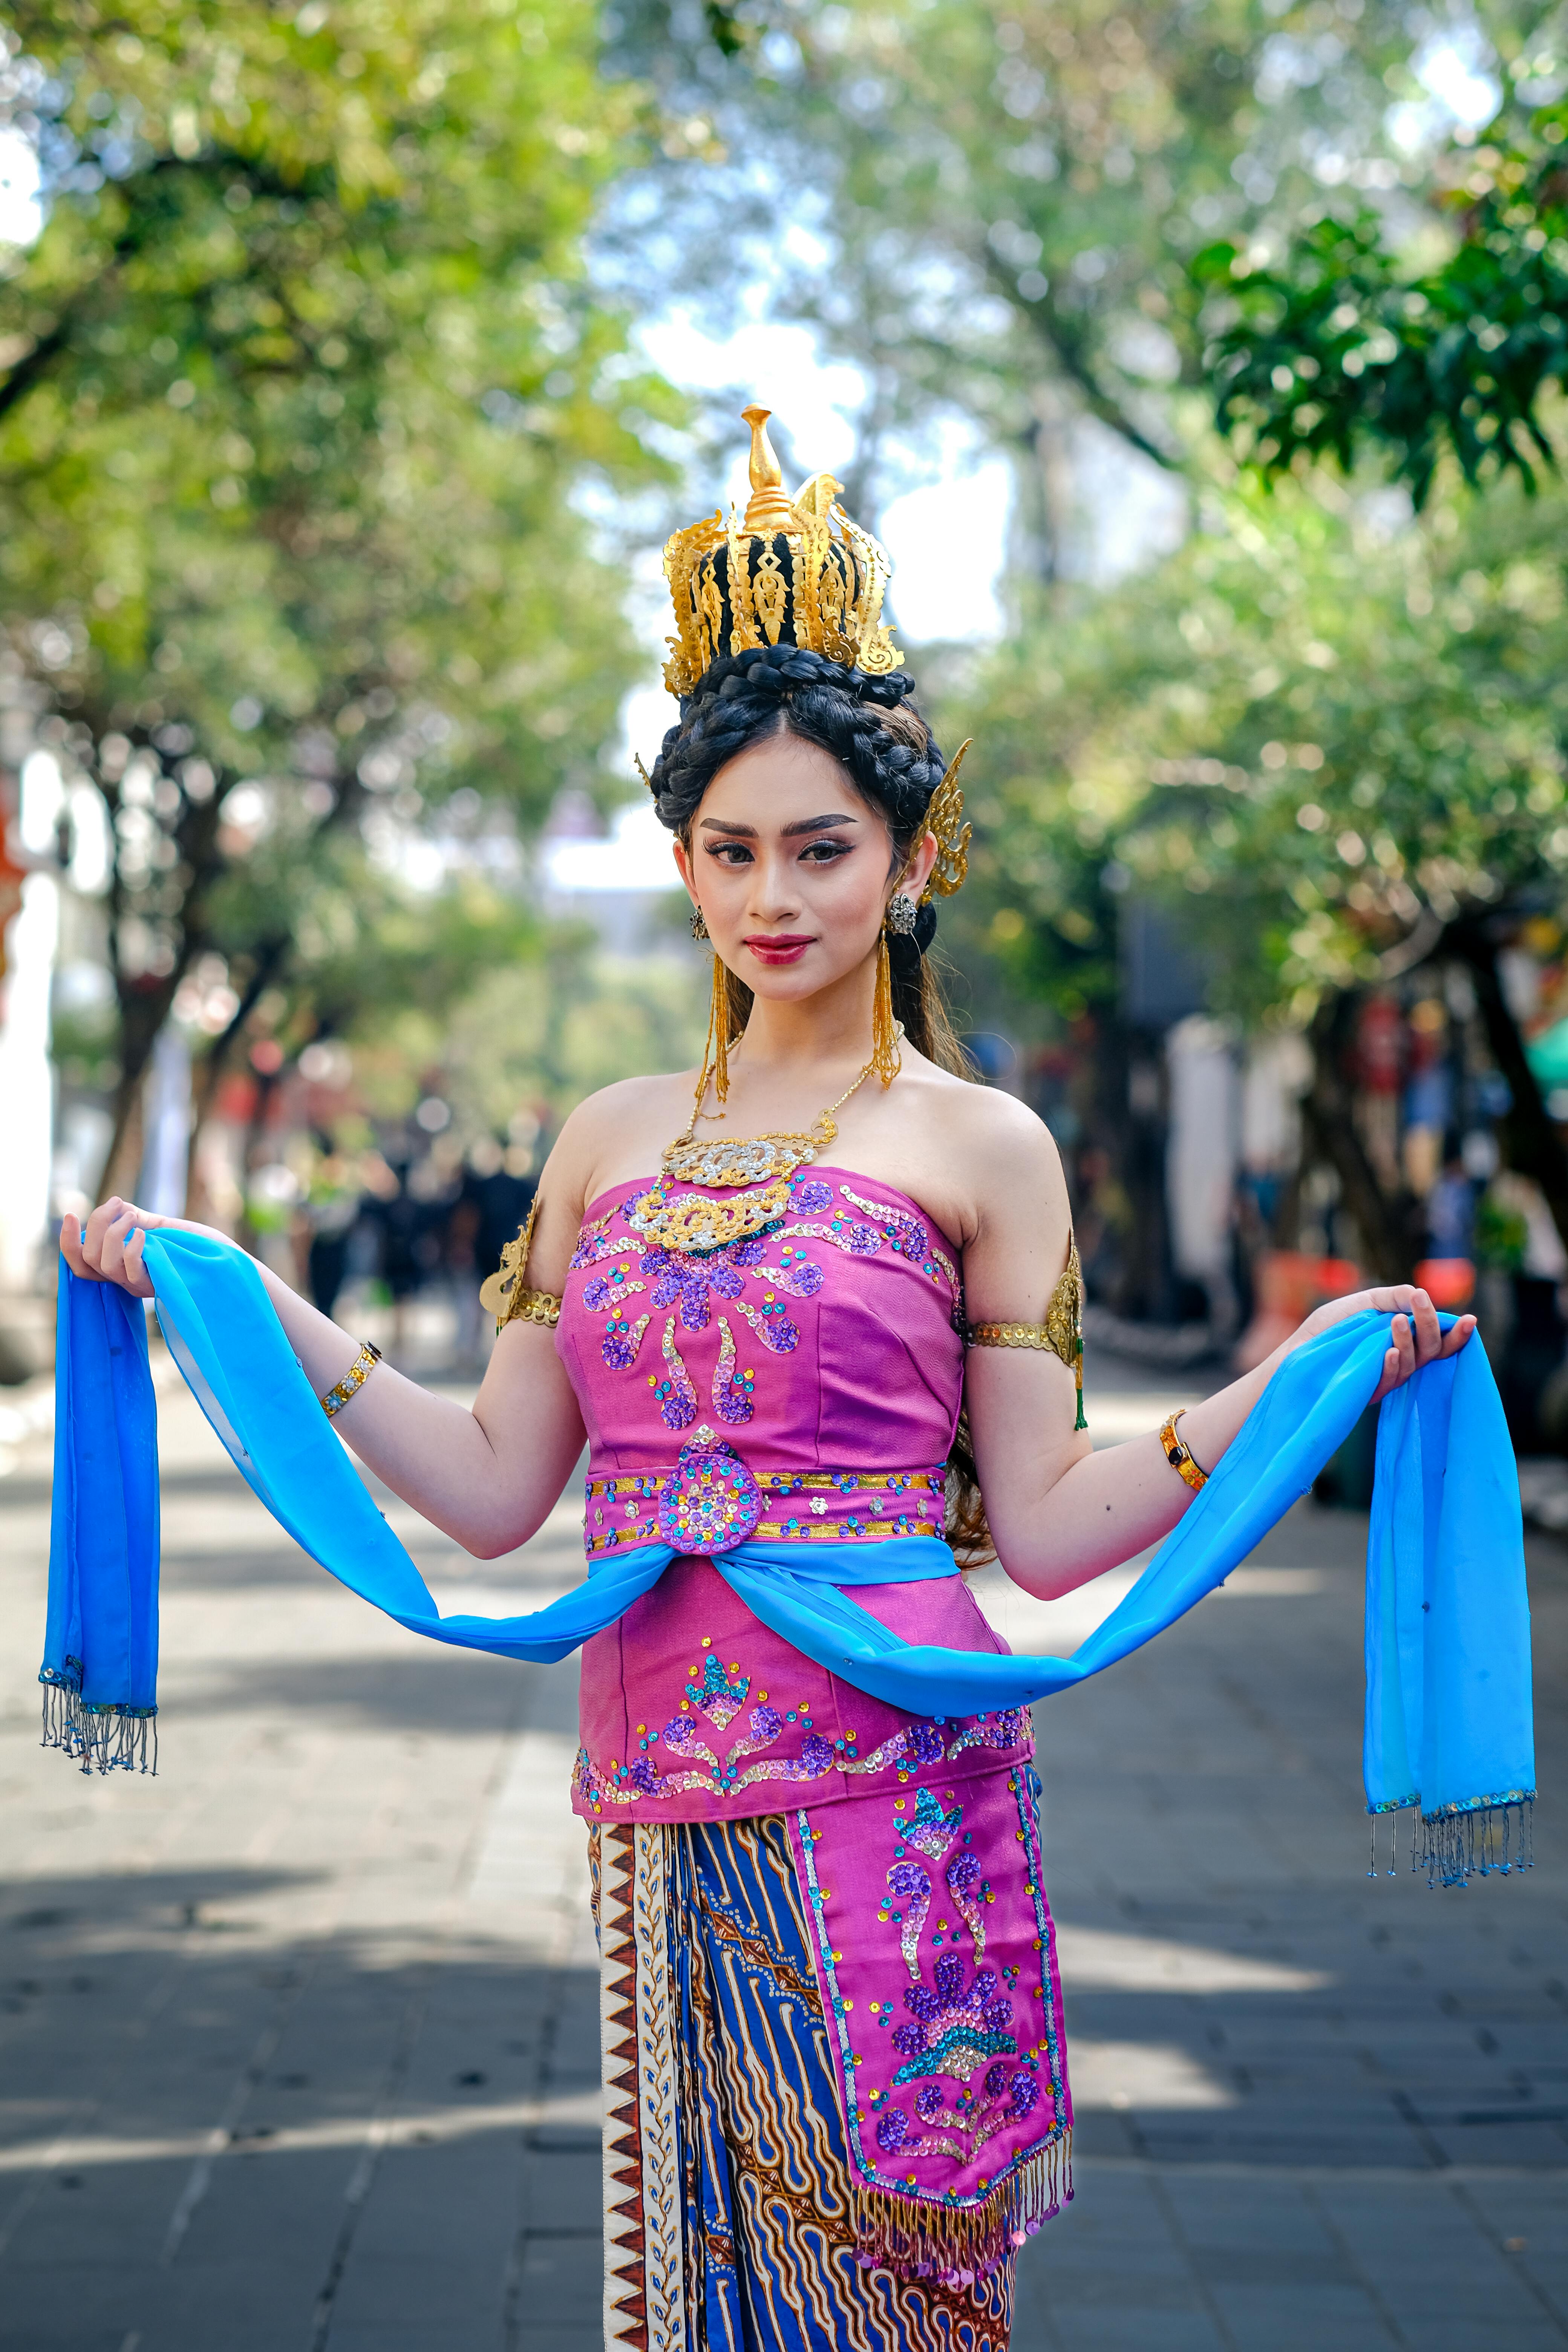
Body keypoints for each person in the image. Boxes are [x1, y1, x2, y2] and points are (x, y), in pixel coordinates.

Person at [61, 408, 1475, 2349]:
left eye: (820, 849)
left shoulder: (982, 1144)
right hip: (658, 1779)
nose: (770, 897)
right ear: (682, 866)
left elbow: (1048, 1527)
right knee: (692, 2284)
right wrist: (228, 1296)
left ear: (911, 856)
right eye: (727, 853)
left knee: (882, 2285)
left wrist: (1293, 1373)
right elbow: (491, 1486)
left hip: (898, 1761)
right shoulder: (607, 1134)